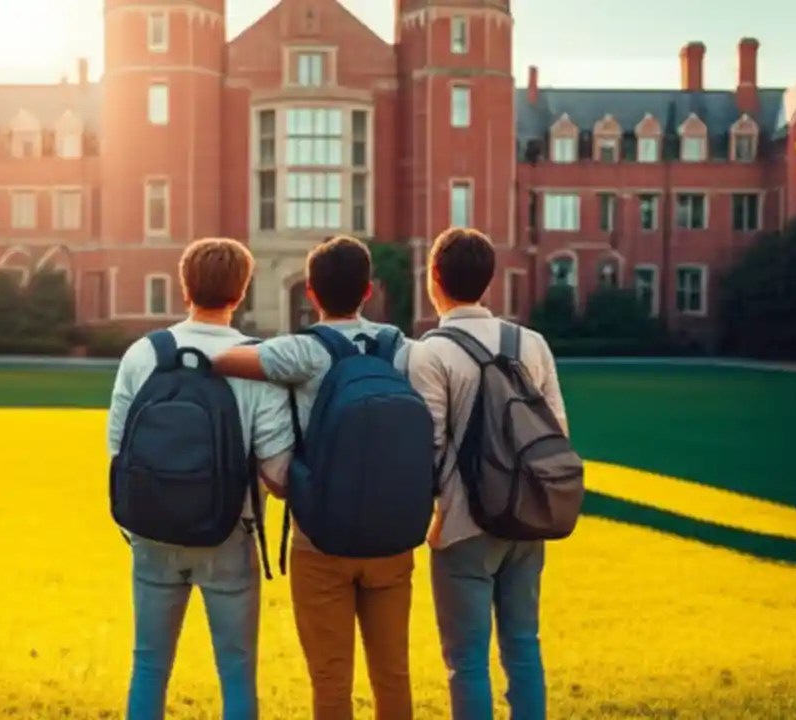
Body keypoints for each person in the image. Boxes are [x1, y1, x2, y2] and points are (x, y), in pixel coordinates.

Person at [212, 236, 419, 720]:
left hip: (320, 536)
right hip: (392, 534)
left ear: (310, 292)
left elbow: (222, 361)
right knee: (393, 675)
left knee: (330, 679)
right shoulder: (402, 350)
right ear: (368, 290)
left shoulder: (304, 352)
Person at [107, 238, 292, 720]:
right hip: (230, 532)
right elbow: (277, 468)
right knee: (237, 673)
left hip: (152, 531)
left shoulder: (143, 354)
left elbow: (117, 449)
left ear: (184, 286)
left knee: (149, 667)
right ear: (242, 291)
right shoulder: (257, 362)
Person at [409, 227, 570, 720]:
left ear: (434, 278)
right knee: (523, 646)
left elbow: (429, 450)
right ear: (489, 280)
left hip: (464, 524)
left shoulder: (429, 353)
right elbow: (557, 432)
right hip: (528, 518)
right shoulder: (532, 343)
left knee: (467, 662)